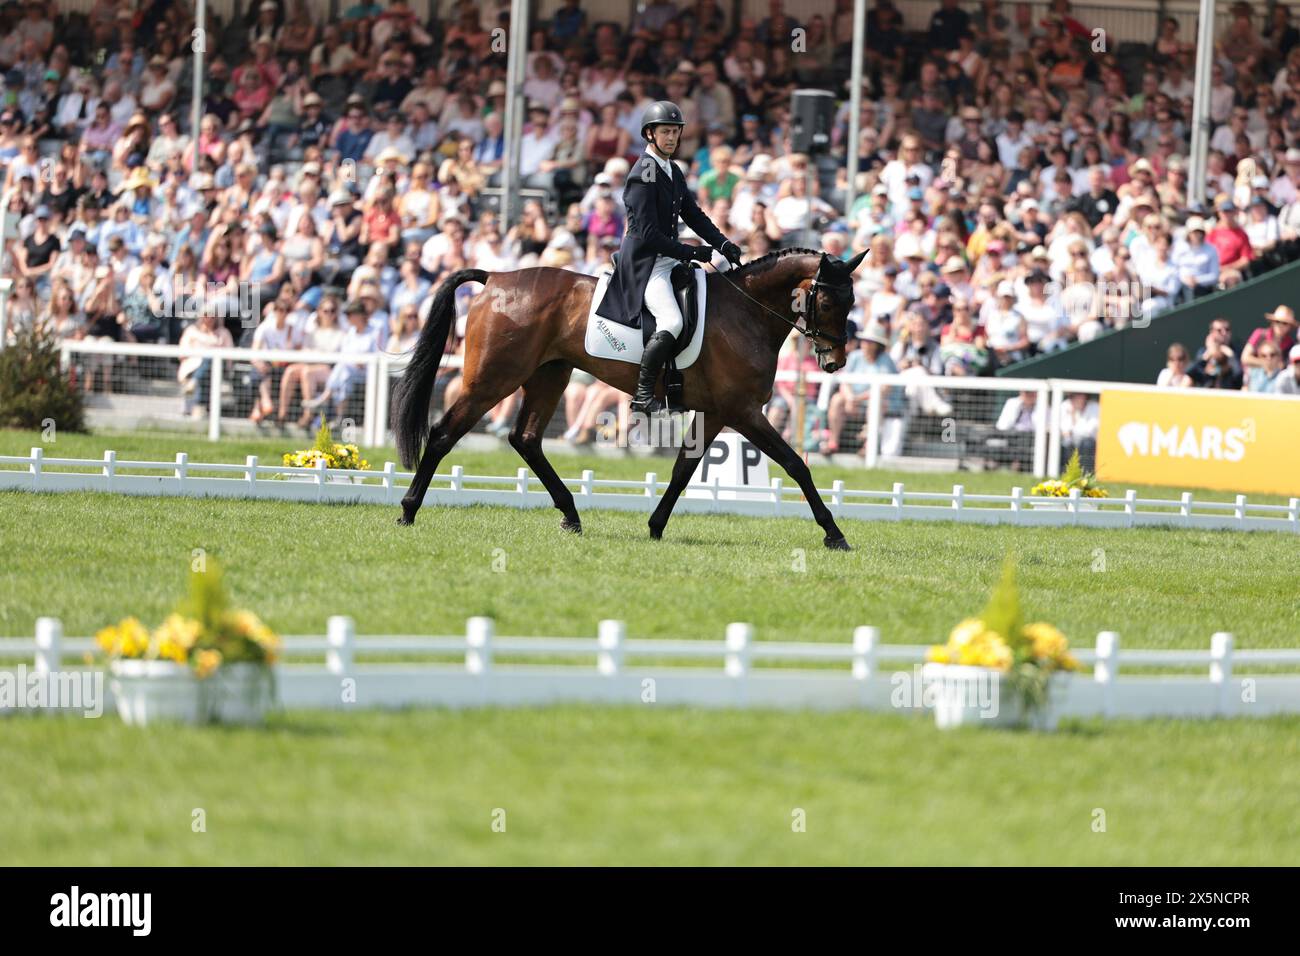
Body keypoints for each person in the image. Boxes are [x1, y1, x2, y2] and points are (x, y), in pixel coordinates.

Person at [594, 100, 741, 414]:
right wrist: (692, 252)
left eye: (676, 131)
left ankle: (680, 385)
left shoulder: (671, 169)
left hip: (667, 258)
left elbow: (694, 215)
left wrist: (723, 244)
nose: (672, 137)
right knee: (672, 320)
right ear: (650, 134)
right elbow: (647, 234)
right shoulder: (644, 172)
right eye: (666, 132)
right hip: (646, 264)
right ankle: (643, 394)